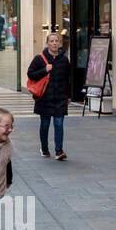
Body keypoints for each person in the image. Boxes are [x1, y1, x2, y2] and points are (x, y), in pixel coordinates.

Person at [27, 31, 71, 159]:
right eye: (52, 41)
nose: (54, 43)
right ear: (47, 43)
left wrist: (68, 96)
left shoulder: (64, 59)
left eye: (57, 41)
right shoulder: (39, 59)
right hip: (44, 98)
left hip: (60, 98)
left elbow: (68, 79)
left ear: (60, 43)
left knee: (59, 124)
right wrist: (44, 70)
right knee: (45, 124)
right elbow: (30, 74)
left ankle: (59, 151)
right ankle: (44, 148)